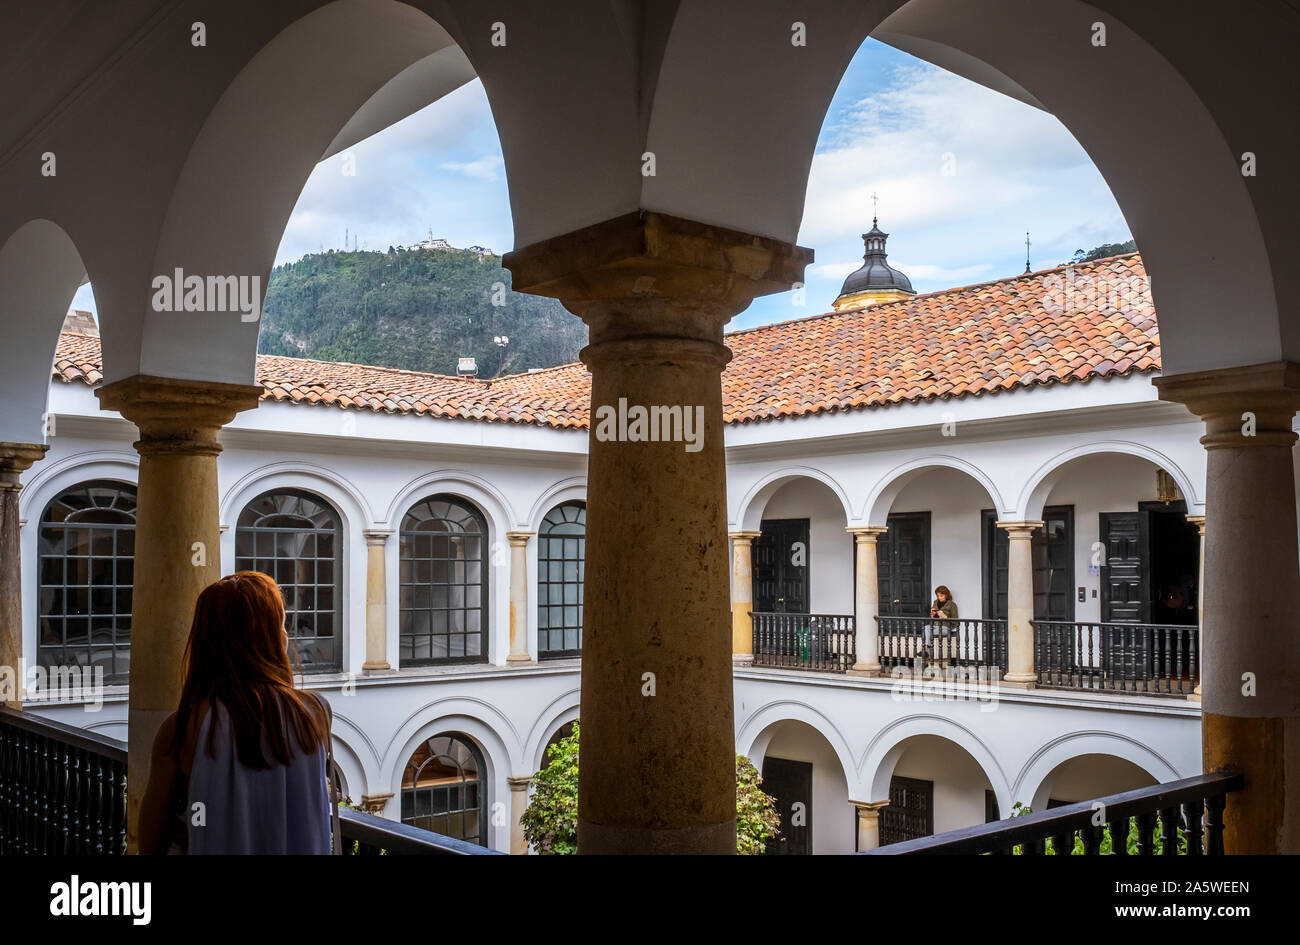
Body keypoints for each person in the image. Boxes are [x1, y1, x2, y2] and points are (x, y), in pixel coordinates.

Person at [138, 571, 334, 855]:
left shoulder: (181, 730)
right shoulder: (315, 713)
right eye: (280, 624)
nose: (286, 634)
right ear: (269, 637)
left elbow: (150, 844)